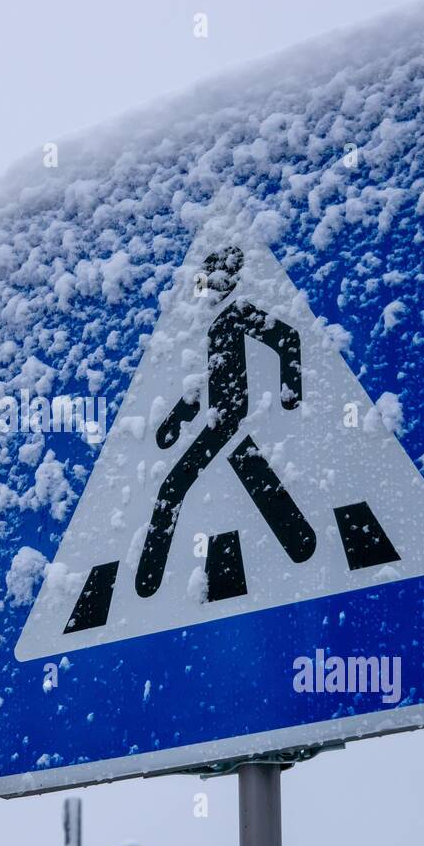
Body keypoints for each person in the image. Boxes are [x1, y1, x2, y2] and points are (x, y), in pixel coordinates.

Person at [136, 246, 316, 599]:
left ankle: (148, 584)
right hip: (220, 419)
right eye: (202, 280)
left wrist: (289, 392)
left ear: (226, 279)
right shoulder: (215, 324)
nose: (202, 286)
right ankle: (301, 541)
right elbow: (202, 384)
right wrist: (173, 423)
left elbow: (286, 338)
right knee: (255, 480)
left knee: (172, 488)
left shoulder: (238, 314)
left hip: (231, 418)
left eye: (208, 278)